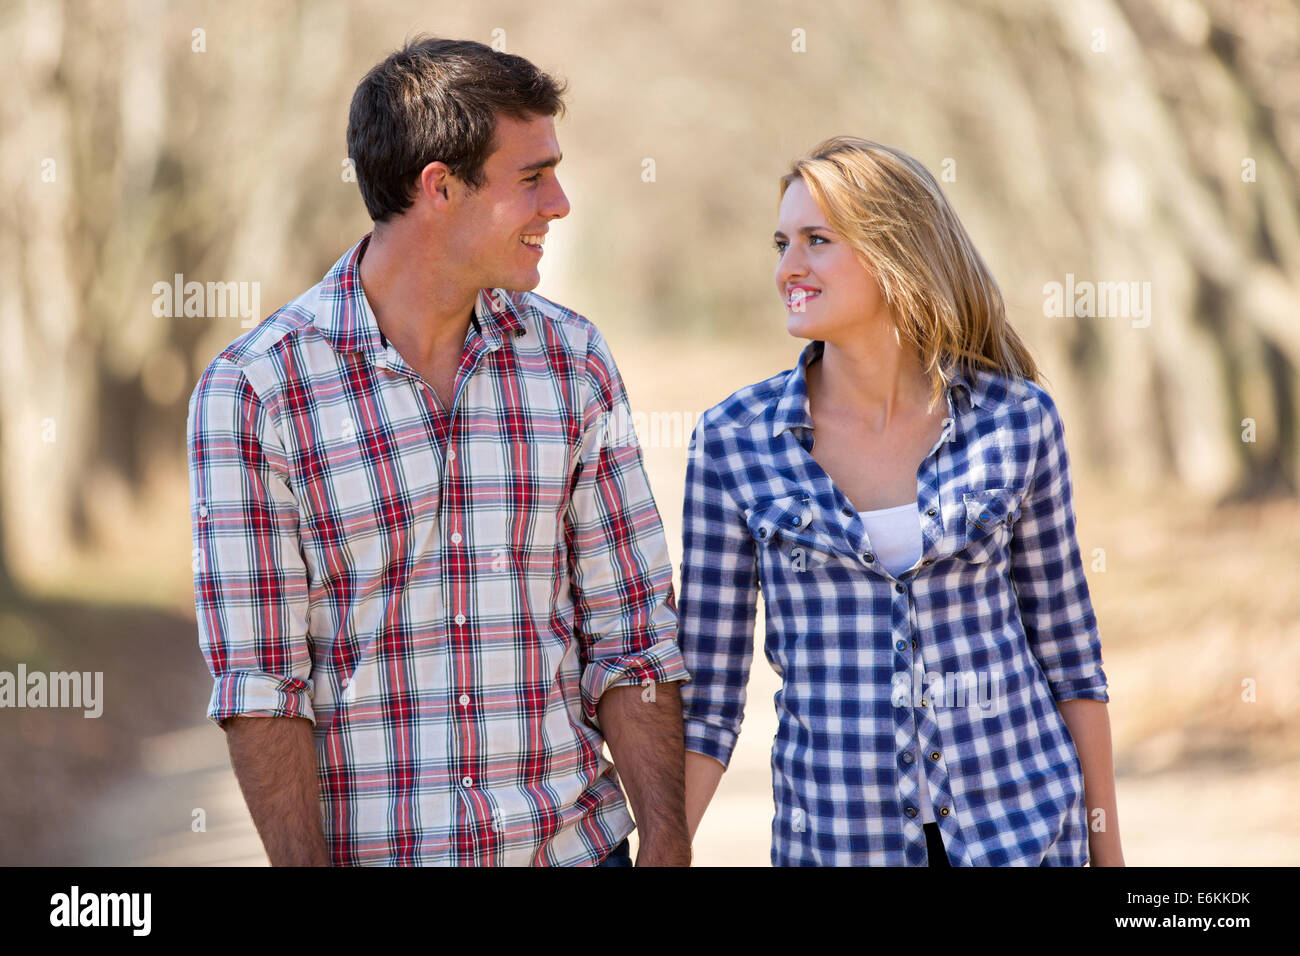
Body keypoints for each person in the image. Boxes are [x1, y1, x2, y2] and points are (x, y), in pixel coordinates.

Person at [186, 36, 692, 867]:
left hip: (574, 850)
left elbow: (630, 630)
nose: (559, 204)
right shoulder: (256, 391)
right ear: (440, 187)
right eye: (532, 177)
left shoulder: (574, 361)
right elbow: (261, 684)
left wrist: (669, 846)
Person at [677, 136, 1123, 867]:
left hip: (1026, 835)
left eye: (817, 241)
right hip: (840, 845)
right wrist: (666, 846)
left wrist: (1111, 859)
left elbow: (1071, 662)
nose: (788, 267)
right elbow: (710, 698)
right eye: (782, 242)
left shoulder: (1017, 420)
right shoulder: (733, 440)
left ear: (896, 252)